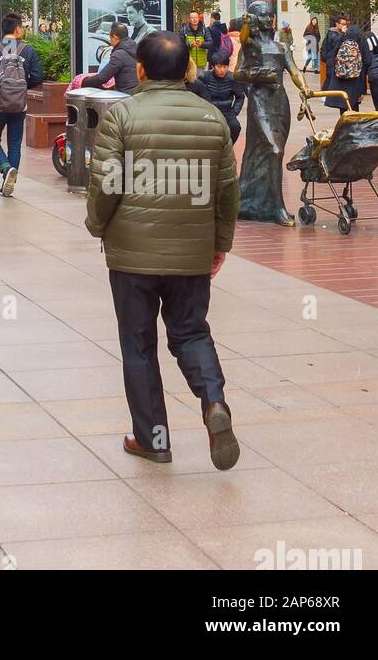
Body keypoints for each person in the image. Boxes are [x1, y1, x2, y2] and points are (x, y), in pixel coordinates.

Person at [85, 30, 241, 471]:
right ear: (188, 69)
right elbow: (228, 191)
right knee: (191, 332)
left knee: (138, 346)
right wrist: (220, 244)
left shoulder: (123, 115)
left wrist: (98, 225)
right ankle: (213, 401)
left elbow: (107, 183)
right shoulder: (213, 118)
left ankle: (154, 439)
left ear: (140, 70)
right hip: (191, 249)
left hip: (132, 254)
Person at [0, 12, 44, 196]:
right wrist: (23, 88)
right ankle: (9, 181)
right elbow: (38, 76)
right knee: (15, 143)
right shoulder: (28, 50)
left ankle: (5, 168)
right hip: (19, 106)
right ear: (18, 29)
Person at [196, 50, 246, 142]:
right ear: (213, 66)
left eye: (225, 66)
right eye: (219, 67)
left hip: (227, 111)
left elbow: (240, 97)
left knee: (235, 127)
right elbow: (197, 95)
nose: (222, 70)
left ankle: (228, 148)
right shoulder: (204, 77)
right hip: (210, 110)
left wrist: (235, 112)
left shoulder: (232, 78)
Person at [89, 22, 139, 95]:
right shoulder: (138, 49)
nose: (110, 41)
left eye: (110, 38)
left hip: (125, 95)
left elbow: (102, 78)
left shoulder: (118, 54)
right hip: (139, 93)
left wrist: (83, 81)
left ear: (115, 37)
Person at [330, 22, 368, 112]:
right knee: (354, 106)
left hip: (341, 78)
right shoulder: (361, 40)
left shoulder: (341, 39)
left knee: (343, 105)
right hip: (356, 78)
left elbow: (332, 57)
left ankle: (344, 124)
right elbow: (367, 60)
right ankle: (353, 124)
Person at [319, 12, 349, 94]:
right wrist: (343, 33)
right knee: (330, 77)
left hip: (335, 59)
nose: (344, 26)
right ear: (337, 24)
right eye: (343, 24)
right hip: (331, 59)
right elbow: (336, 42)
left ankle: (327, 94)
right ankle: (324, 94)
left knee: (332, 77)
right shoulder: (332, 33)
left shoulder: (340, 33)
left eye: (346, 24)